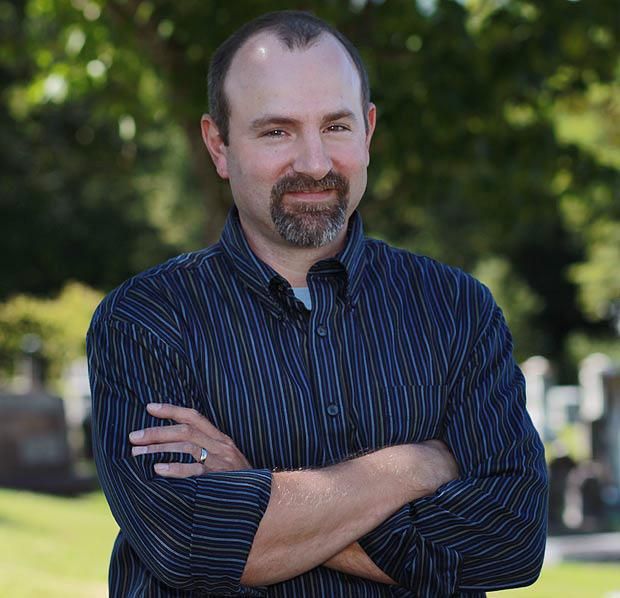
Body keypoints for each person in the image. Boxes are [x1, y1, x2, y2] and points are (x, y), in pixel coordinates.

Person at [87, 10, 548, 598]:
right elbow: (188, 545)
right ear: (218, 145)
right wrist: (413, 468)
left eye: (335, 126)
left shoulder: (457, 309)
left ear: (368, 131)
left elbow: (512, 541)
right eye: (276, 131)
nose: (313, 163)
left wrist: (255, 493)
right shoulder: (144, 321)